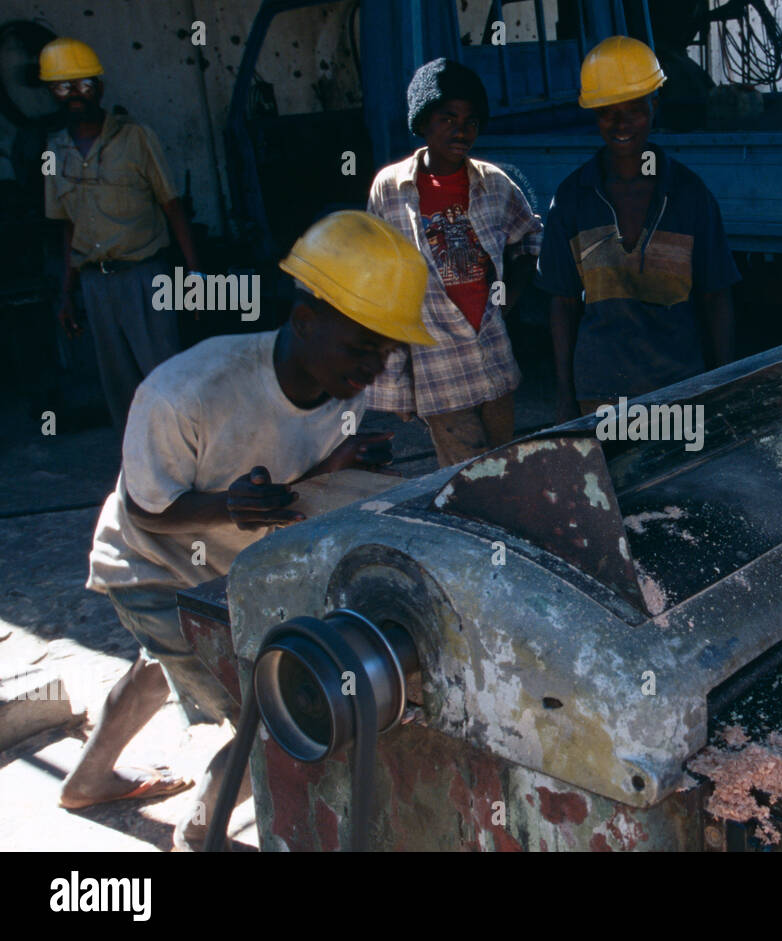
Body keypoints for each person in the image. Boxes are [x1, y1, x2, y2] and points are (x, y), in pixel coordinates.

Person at [63, 211, 433, 850]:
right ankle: (202, 832)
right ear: (306, 321)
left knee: (163, 664)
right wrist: (230, 509)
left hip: (223, 565)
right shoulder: (187, 391)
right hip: (148, 564)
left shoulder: (342, 386)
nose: (375, 368)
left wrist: (336, 464)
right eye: (361, 347)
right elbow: (149, 510)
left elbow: (283, 481)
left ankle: (88, 781)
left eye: (387, 350)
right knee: (267, 708)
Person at [537, 36, 740, 421]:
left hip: (680, 394)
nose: (621, 123)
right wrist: (566, 397)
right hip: (598, 396)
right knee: (611, 483)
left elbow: (717, 297)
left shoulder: (690, 195)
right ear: (594, 116)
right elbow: (561, 305)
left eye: (634, 109)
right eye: (607, 111)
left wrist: (722, 383)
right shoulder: (572, 199)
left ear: (654, 107)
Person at [365, 58, 543, 467]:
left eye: (472, 121)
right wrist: (395, 382)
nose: (462, 130)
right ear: (423, 122)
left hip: (494, 361)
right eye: (448, 118)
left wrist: (506, 299)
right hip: (439, 370)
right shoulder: (390, 189)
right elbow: (382, 286)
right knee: (467, 481)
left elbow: (530, 236)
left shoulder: (495, 183)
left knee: (502, 472)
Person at [41, 37, 200, 434]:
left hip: (145, 276)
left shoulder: (135, 137)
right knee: (121, 390)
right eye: (63, 87)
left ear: (100, 88)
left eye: (83, 86)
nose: (74, 96)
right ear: (52, 94)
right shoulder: (54, 150)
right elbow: (66, 225)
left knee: (167, 377)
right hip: (96, 284)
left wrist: (196, 277)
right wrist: (67, 291)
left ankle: (192, 454)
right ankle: (142, 468)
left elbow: (172, 206)